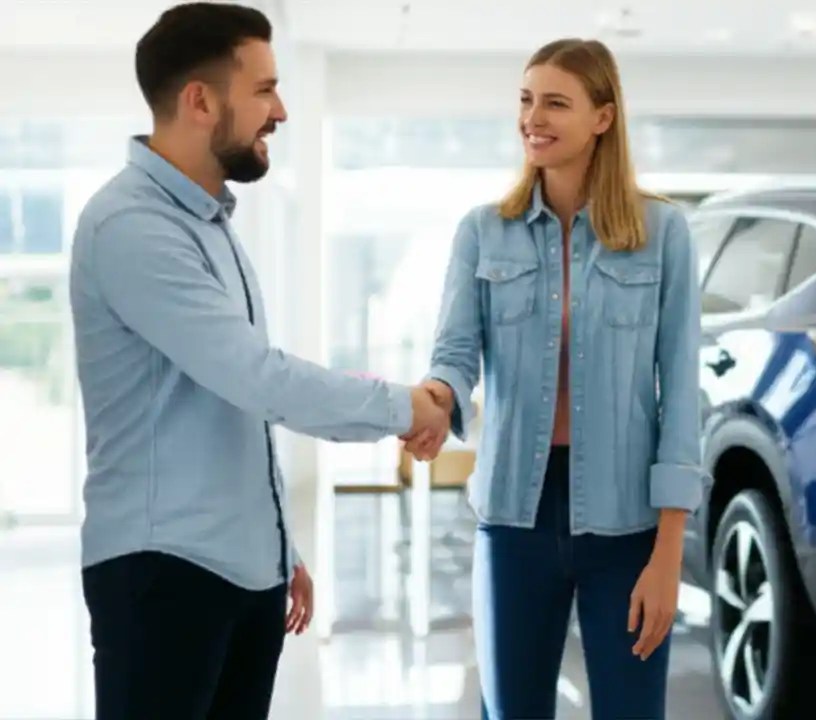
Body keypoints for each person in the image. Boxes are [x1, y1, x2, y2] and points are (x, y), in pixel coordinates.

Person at [70, 4, 449, 719]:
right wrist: (404, 407)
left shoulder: (209, 224)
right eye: (265, 90)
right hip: (163, 574)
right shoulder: (132, 225)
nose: (280, 111)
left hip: (235, 574)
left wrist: (277, 547)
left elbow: (230, 407)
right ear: (200, 101)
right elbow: (259, 378)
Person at [402, 38, 705, 720]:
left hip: (628, 524)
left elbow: (682, 394)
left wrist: (667, 555)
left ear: (603, 117)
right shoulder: (483, 231)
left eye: (556, 103)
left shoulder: (663, 232)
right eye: (526, 99)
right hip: (515, 518)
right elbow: (455, 352)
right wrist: (437, 399)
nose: (533, 118)